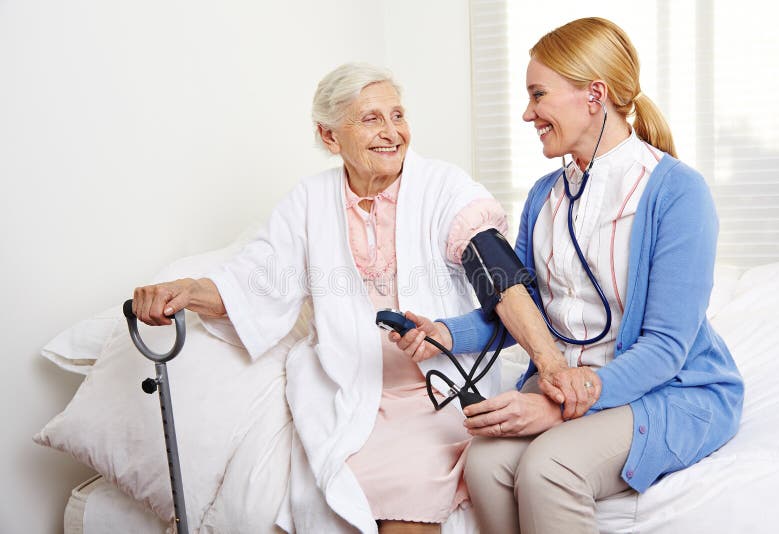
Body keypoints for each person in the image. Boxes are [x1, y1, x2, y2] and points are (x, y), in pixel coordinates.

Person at [390, 17, 744, 534]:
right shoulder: (544, 197)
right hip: (573, 385)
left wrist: (561, 405)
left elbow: (667, 346)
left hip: (667, 389)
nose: (526, 113)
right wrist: (444, 333)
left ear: (595, 95)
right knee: (485, 464)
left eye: (538, 95)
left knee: (549, 468)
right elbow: (526, 313)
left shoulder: (676, 193)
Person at [130, 62, 508, 534]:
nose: (392, 132)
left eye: (397, 115)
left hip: (436, 389)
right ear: (330, 137)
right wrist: (187, 290)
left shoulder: (444, 186)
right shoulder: (308, 200)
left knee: (406, 513)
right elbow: (255, 282)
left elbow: (499, 279)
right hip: (351, 391)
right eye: (371, 119)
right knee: (337, 501)